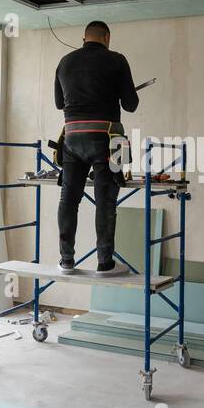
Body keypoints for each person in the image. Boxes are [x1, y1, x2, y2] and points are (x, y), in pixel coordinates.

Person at [54, 20, 138, 275]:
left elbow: (60, 104)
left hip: (72, 139)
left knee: (69, 199)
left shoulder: (65, 62)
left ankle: (66, 260)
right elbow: (131, 104)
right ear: (107, 37)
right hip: (105, 138)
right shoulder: (117, 60)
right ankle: (105, 262)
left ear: (84, 37)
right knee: (105, 201)